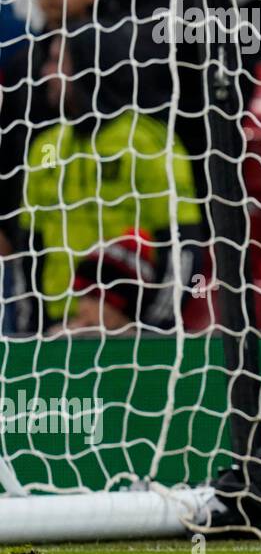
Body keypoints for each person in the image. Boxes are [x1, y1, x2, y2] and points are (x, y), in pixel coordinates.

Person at [16, 33, 203, 333]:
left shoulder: (145, 143)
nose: (45, 73)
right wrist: (35, 327)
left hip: (126, 330)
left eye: (56, 62)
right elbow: (28, 246)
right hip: (58, 331)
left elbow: (184, 248)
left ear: (90, 67)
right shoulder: (48, 148)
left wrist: (153, 328)